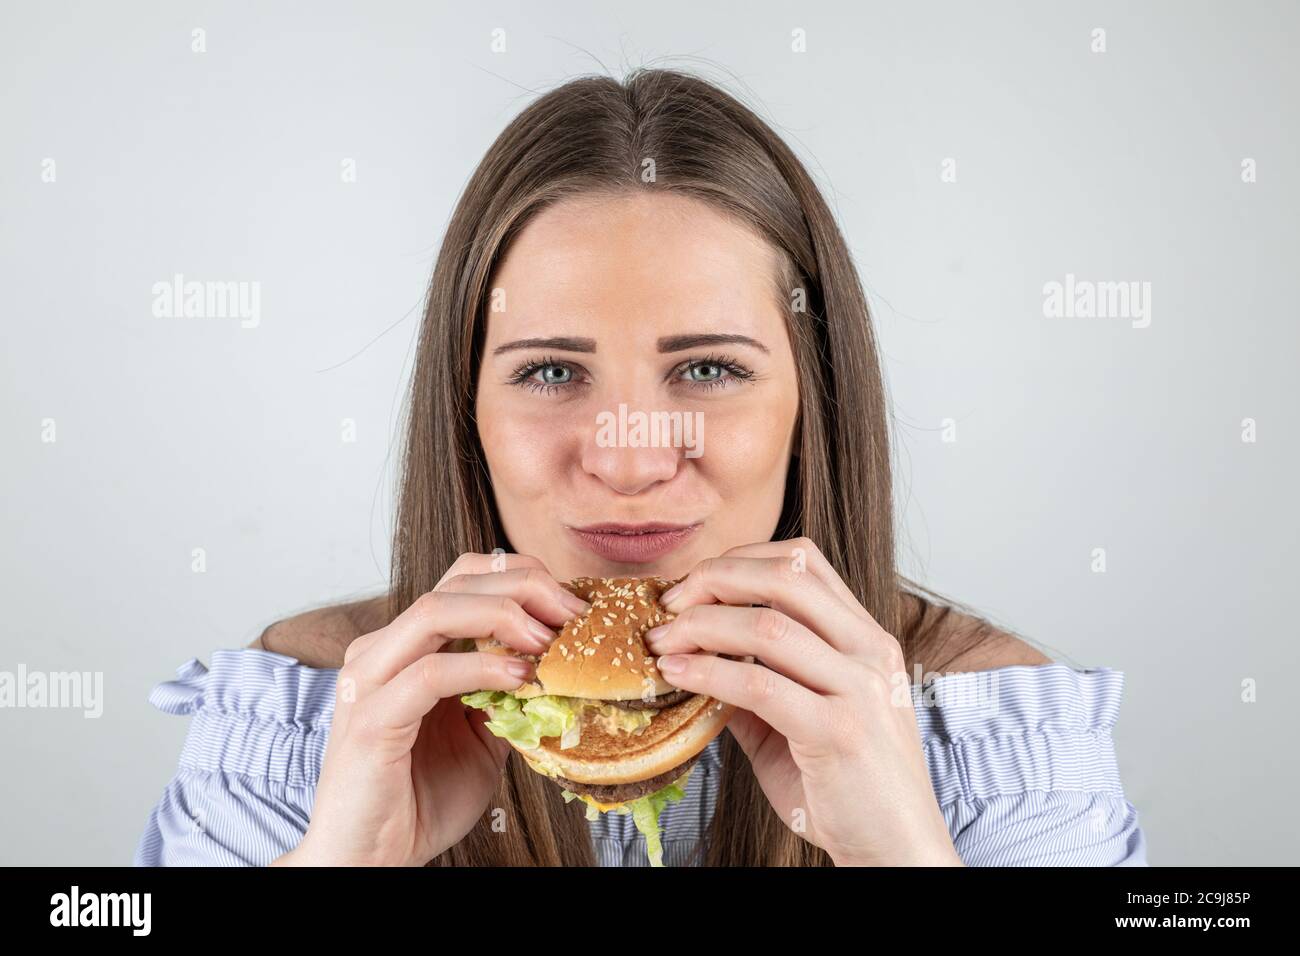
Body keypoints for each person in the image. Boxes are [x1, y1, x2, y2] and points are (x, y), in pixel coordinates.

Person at [134, 68, 1147, 867]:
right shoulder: (308, 714)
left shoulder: (999, 740)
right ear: (465, 409)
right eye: (550, 370)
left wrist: (901, 853)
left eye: (707, 367)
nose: (626, 457)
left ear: (813, 399)